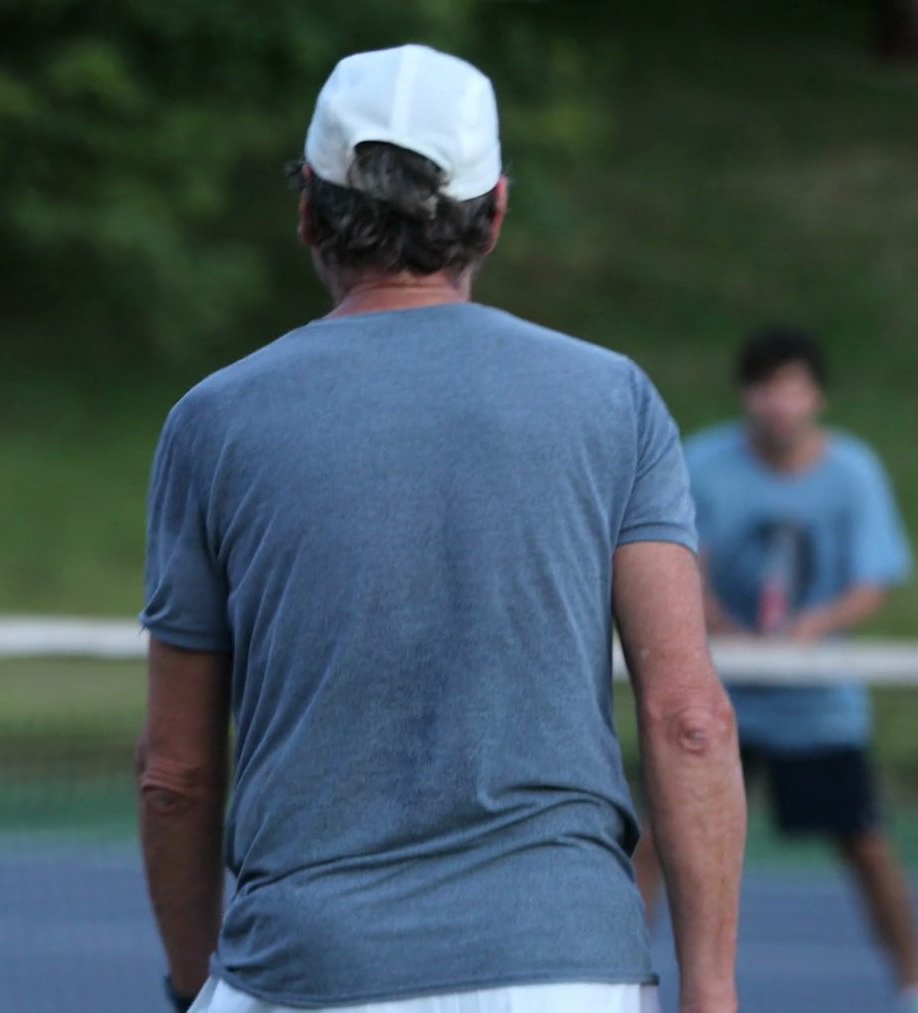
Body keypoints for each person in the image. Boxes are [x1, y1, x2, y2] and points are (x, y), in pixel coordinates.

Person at [136, 45, 744, 1013]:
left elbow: (175, 771)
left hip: (307, 970)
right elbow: (690, 720)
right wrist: (711, 990)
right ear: (494, 212)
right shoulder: (614, 400)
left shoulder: (213, 421)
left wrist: (190, 978)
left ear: (307, 209)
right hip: (569, 967)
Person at [632, 327, 918, 1013]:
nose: (779, 404)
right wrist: (714, 618)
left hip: (818, 701)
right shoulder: (704, 462)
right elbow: (675, 560)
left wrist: (814, 626)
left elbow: (874, 577)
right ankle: (625, 978)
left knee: (866, 844)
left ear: (817, 396)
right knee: (658, 840)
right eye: (766, 387)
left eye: (793, 388)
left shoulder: (854, 472)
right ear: (748, 394)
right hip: (717, 701)